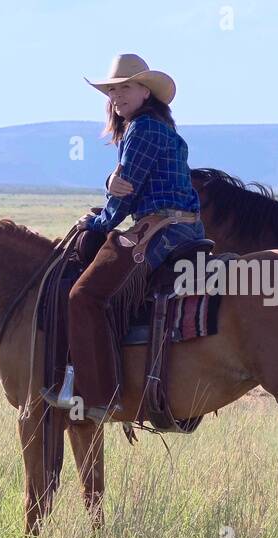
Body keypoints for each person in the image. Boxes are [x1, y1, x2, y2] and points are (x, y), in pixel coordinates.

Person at [42, 54, 205, 425]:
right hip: (182, 227)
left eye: (125, 87)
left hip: (161, 231)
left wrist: (98, 222)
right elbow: (124, 183)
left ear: (146, 91)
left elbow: (124, 192)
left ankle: (99, 396)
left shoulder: (143, 128)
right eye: (112, 90)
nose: (116, 95)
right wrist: (110, 190)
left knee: (84, 295)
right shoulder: (159, 127)